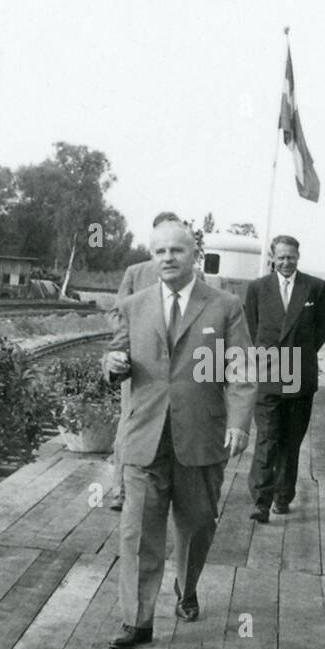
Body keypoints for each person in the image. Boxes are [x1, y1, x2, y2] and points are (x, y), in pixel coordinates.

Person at [103, 217, 253, 649]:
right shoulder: (136, 305)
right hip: (144, 435)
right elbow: (117, 353)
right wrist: (112, 366)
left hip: (201, 437)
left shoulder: (224, 306)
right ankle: (138, 621)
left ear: (194, 256)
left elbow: (242, 370)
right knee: (137, 533)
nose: (168, 258)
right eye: (160, 251)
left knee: (197, 525)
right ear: (152, 255)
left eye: (177, 251)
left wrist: (239, 424)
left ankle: (186, 590)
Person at [104, 212, 206, 511]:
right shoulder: (135, 272)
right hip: (139, 367)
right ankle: (121, 489)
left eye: (175, 244)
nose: (169, 255)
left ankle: (167, 486)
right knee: (129, 424)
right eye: (161, 243)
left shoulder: (192, 273)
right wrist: (129, 344)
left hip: (178, 368)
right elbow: (117, 314)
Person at [243, 234, 325, 522]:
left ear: (298, 256)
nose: (285, 262)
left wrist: (301, 356)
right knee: (267, 438)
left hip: (299, 375)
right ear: (272, 257)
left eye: (290, 257)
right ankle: (260, 501)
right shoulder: (257, 288)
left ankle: (283, 495)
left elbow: (323, 328)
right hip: (267, 373)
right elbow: (251, 327)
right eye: (280, 257)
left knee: (291, 440)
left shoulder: (315, 288)